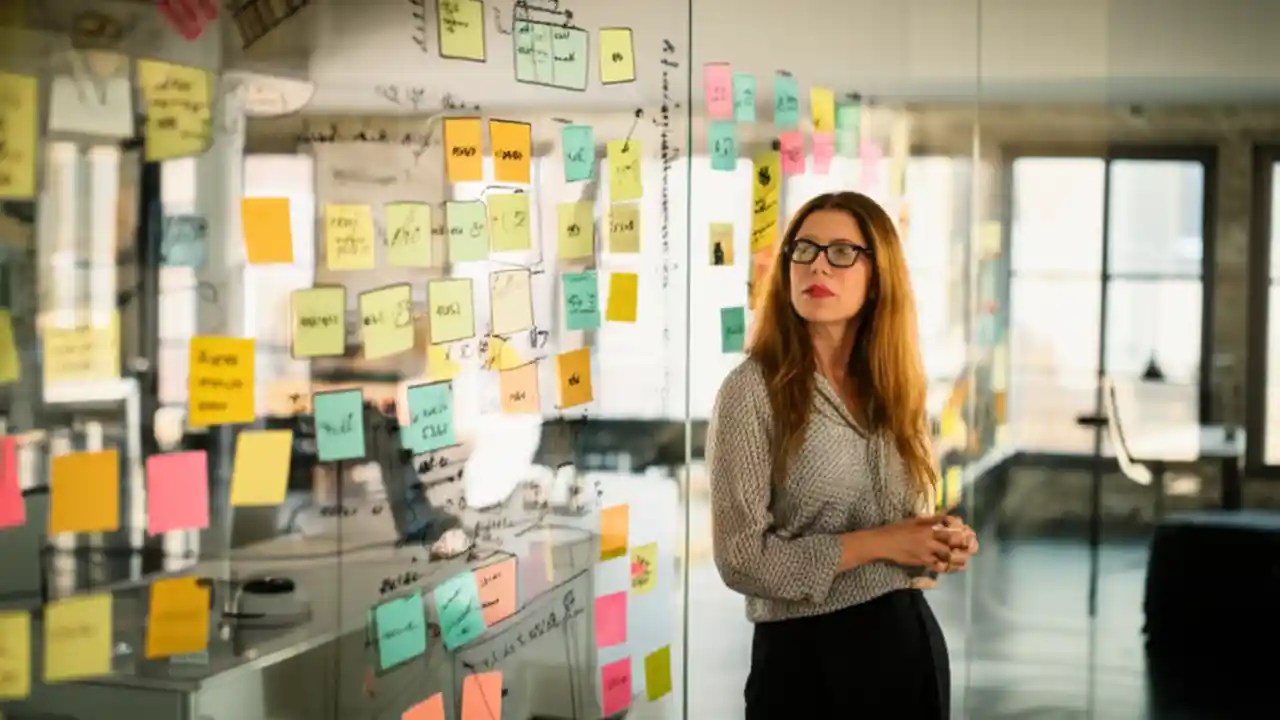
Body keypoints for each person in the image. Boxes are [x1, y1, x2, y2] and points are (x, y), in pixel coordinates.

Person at [707, 191, 978, 719]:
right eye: (803, 250)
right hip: (806, 664)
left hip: (907, 646)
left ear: (879, 276)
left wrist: (938, 538)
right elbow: (741, 561)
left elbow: (900, 526)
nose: (817, 266)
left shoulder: (895, 387)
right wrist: (884, 543)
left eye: (841, 252)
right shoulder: (751, 391)